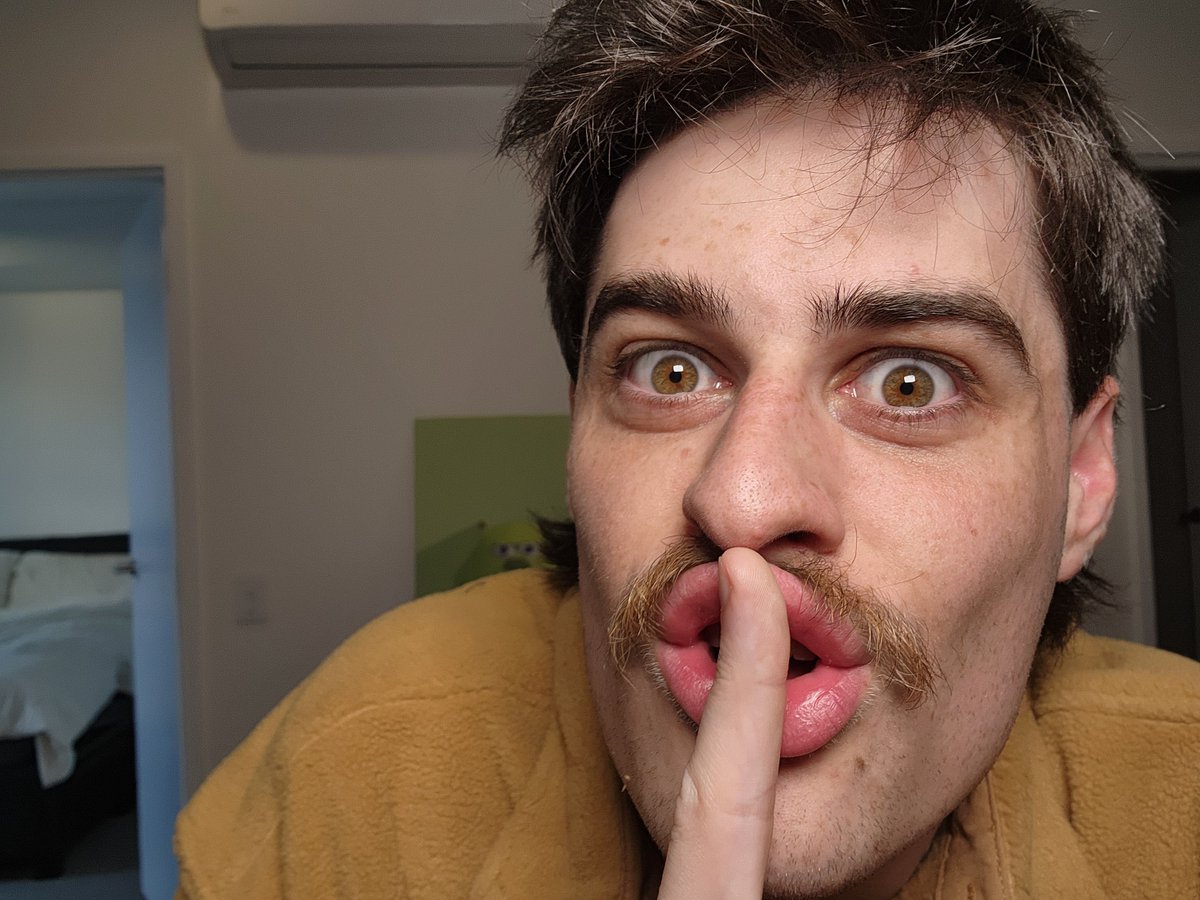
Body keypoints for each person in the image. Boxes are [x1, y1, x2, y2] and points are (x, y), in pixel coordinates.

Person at [174, 1, 1200, 897]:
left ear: (1083, 480)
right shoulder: (343, 789)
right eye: (669, 371)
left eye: (909, 382)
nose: (742, 497)